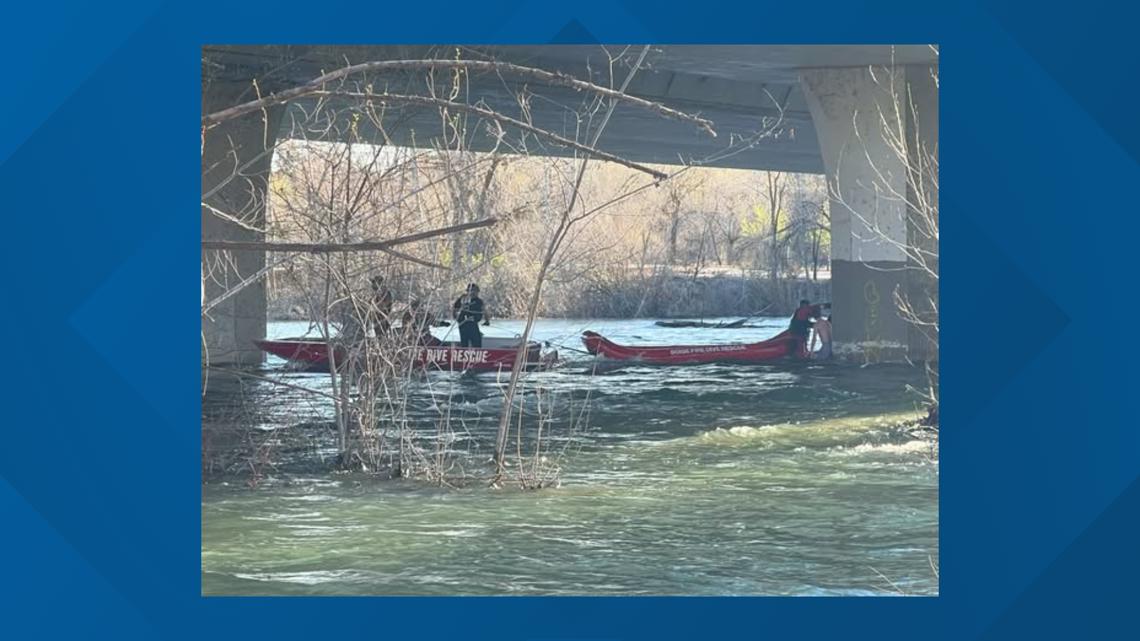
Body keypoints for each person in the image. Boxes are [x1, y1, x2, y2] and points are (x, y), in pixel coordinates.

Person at [452, 283, 490, 347]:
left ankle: (471, 352)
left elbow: (484, 311)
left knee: (471, 341)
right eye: (474, 291)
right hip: (465, 324)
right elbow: (455, 309)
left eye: (476, 291)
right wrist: (456, 318)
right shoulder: (463, 299)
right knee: (471, 342)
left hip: (469, 324)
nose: (476, 293)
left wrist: (487, 321)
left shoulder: (478, 301)